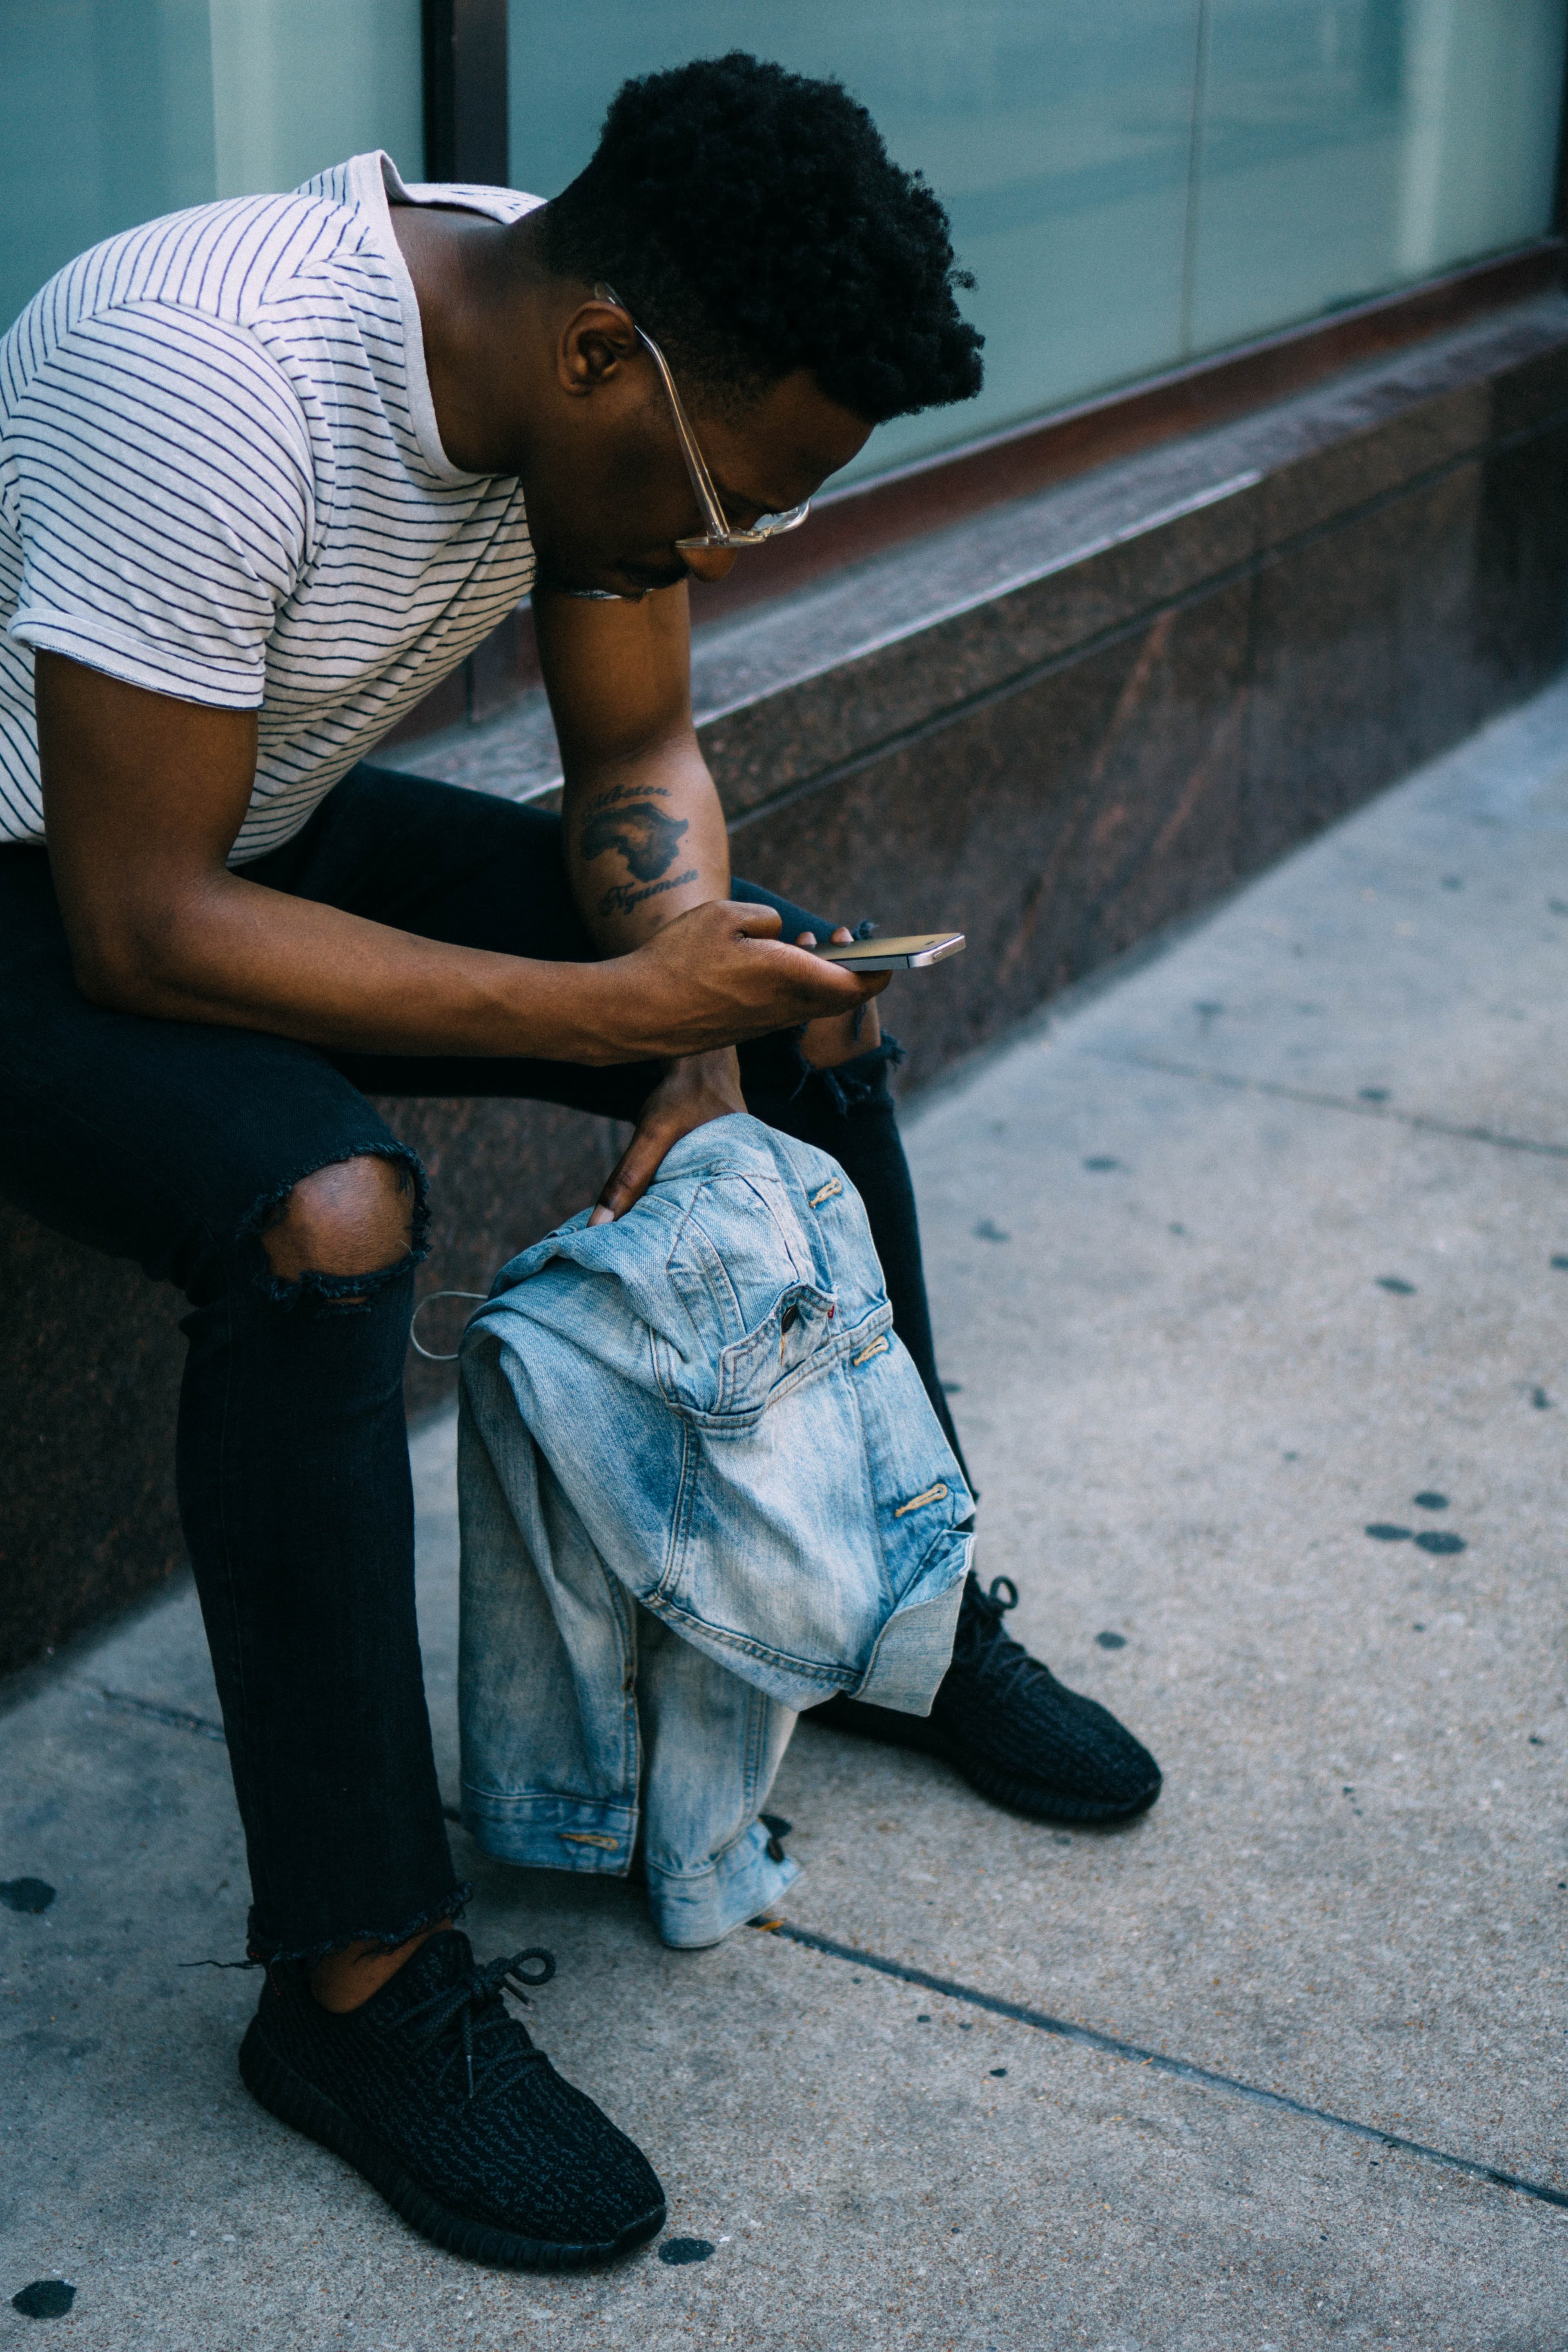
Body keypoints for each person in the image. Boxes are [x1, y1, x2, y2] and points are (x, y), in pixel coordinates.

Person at [0, 53, 1158, 2269]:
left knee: (797, 986)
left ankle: (890, 1597)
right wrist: (605, 1019)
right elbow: (137, 926)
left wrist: (690, 1030)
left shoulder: (593, 328)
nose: (730, 549)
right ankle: (353, 1988)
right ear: (610, 361)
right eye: (735, 505)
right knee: (329, 1220)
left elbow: (637, 753)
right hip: (52, 872)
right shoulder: (213, 371)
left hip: (231, 807)